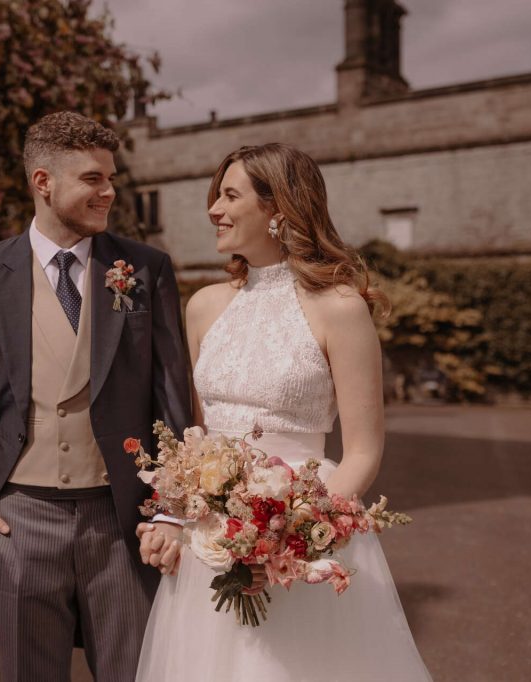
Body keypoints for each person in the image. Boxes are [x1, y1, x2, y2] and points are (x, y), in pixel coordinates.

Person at [134, 143, 432, 680]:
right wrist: (174, 515)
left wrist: (295, 534)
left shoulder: (341, 309)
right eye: (215, 195)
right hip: (212, 545)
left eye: (229, 195)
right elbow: (196, 438)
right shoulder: (203, 306)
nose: (213, 209)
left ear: (278, 210)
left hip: (302, 541)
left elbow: (364, 448)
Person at [0, 111, 192, 682]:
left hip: (122, 523)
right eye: (93, 179)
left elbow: (172, 403)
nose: (110, 191)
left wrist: (171, 511)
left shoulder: (144, 270)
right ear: (43, 182)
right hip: (18, 521)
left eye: (111, 177)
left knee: (132, 674)